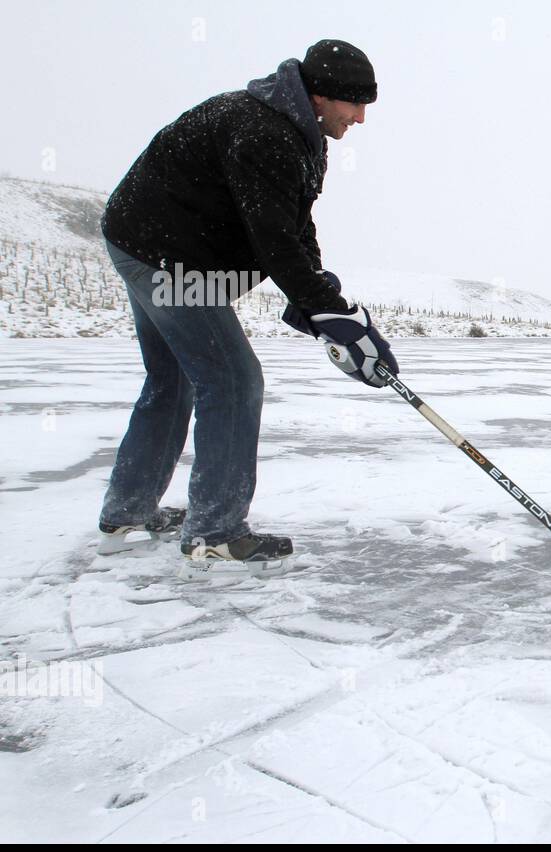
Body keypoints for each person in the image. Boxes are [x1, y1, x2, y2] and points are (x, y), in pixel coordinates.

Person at [97, 40, 398, 577]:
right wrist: (331, 319)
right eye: (356, 104)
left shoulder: (298, 132)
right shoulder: (266, 134)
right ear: (321, 96)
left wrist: (333, 314)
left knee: (174, 380)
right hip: (166, 258)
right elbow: (275, 242)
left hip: (144, 242)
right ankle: (214, 533)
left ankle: (128, 512)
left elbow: (296, 231)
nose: (361, 118)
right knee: (233, 380)